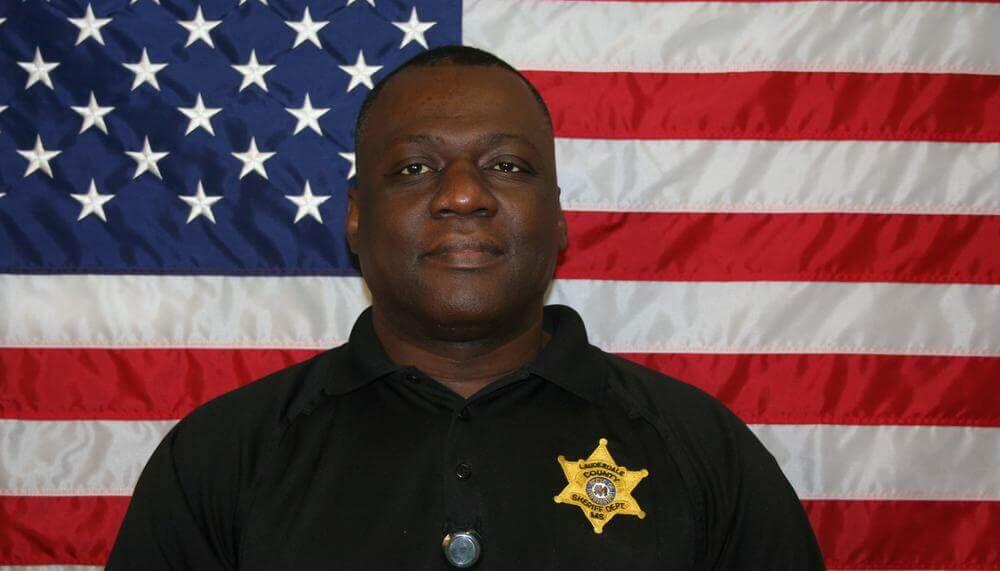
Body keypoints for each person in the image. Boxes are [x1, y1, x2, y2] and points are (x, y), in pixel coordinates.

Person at [107, 46, 825, 569]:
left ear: (560, 218)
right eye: (415, 168)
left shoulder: (700, 448)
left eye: (506, 166)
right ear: (356, 217)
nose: (462, 195)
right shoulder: (225, 457)